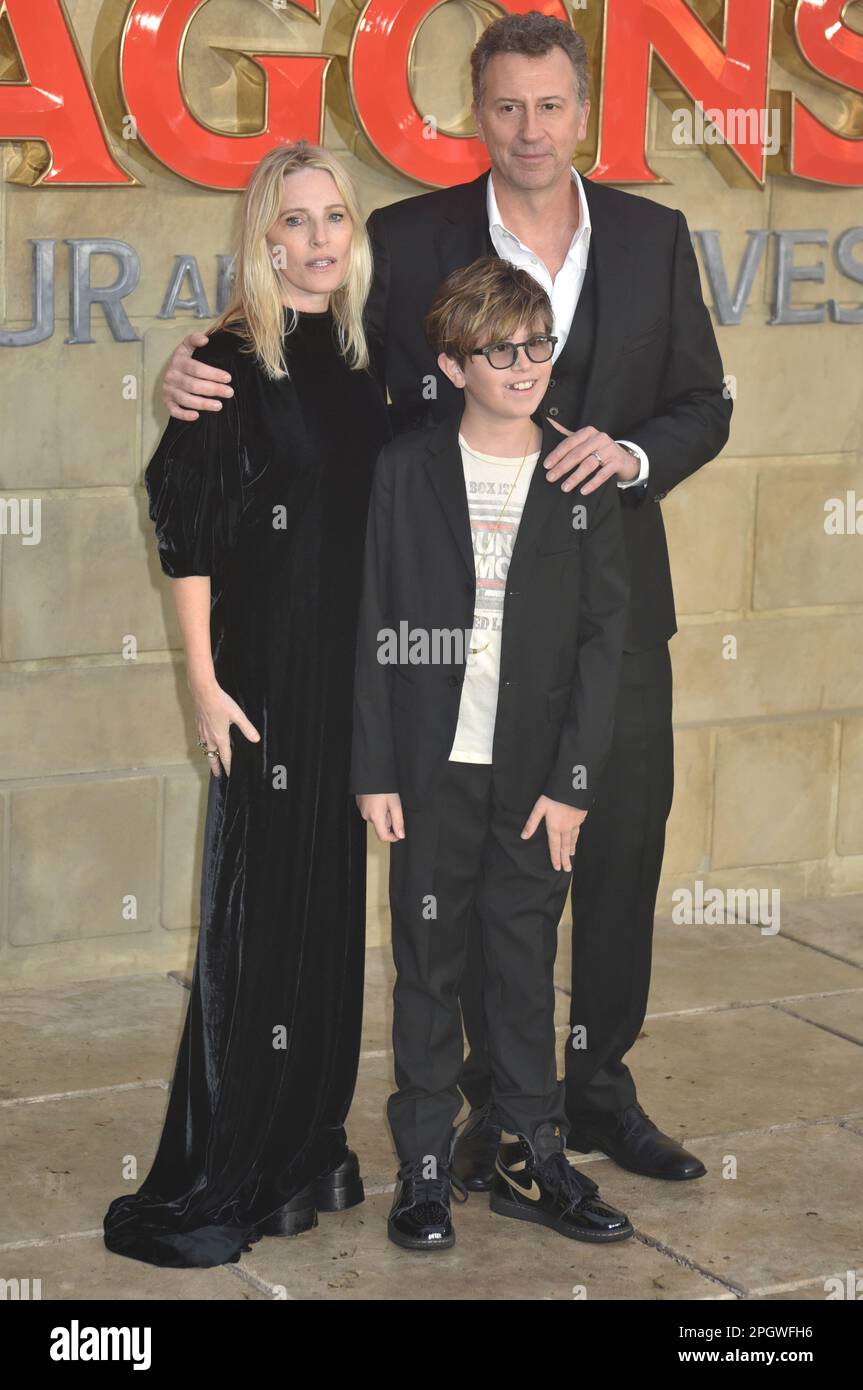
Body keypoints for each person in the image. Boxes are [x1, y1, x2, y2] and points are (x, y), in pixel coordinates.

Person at [157, 14, 732, 1187]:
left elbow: (701, 403)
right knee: (467, 864)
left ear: (585, 111)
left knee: (614, 845)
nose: (530, 127)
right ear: (479, 113)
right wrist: (193, 364)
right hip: (445, 639)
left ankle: (598, 1084)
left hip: (606, 617)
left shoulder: (653, 235)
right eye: (507, 106)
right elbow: (311, 368)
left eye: (552, 105)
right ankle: (484, 1106)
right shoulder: (407, 239)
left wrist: (624, 457)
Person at [102, 141, 392, 1268]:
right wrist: (201, 681)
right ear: (262, 240)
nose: (318, 240)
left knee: (325, 916)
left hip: (347, 679)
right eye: (295, 221)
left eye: (334, 219)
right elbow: (185, 521)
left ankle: (298, 1148)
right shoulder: (224, 358)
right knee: (255, 920)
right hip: (262, 679)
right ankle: (227, 1160)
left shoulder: (362, 354)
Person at [351, 256, 633, 1250]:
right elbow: (375, 623)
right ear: (451, 363)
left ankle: (528, 1157)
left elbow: (606, 643)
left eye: (536, 347)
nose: (523, 367)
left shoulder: (577, 472)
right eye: (498, 351)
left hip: (532, 785)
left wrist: (573, 785)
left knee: (521, 967)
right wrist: (374, 766)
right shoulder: (406, 468)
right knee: (426, 969)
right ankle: (424, 1170)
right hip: (430, 774)